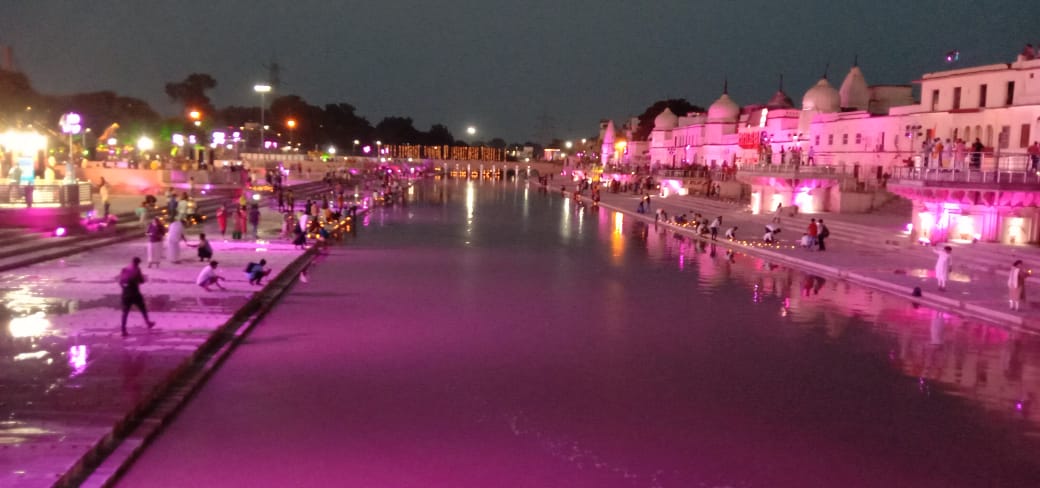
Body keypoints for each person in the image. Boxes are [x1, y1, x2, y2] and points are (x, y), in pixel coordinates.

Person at [117, 257, 156, 336]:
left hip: (126, 294)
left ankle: (123, 330)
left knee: (125, 312)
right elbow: (141, 281)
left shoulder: (125, 269)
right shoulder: (137, 270)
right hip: (135, 293)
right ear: (138, 263)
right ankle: (148, 322)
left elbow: (120, 282)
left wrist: (125, 288)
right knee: (142, 308)